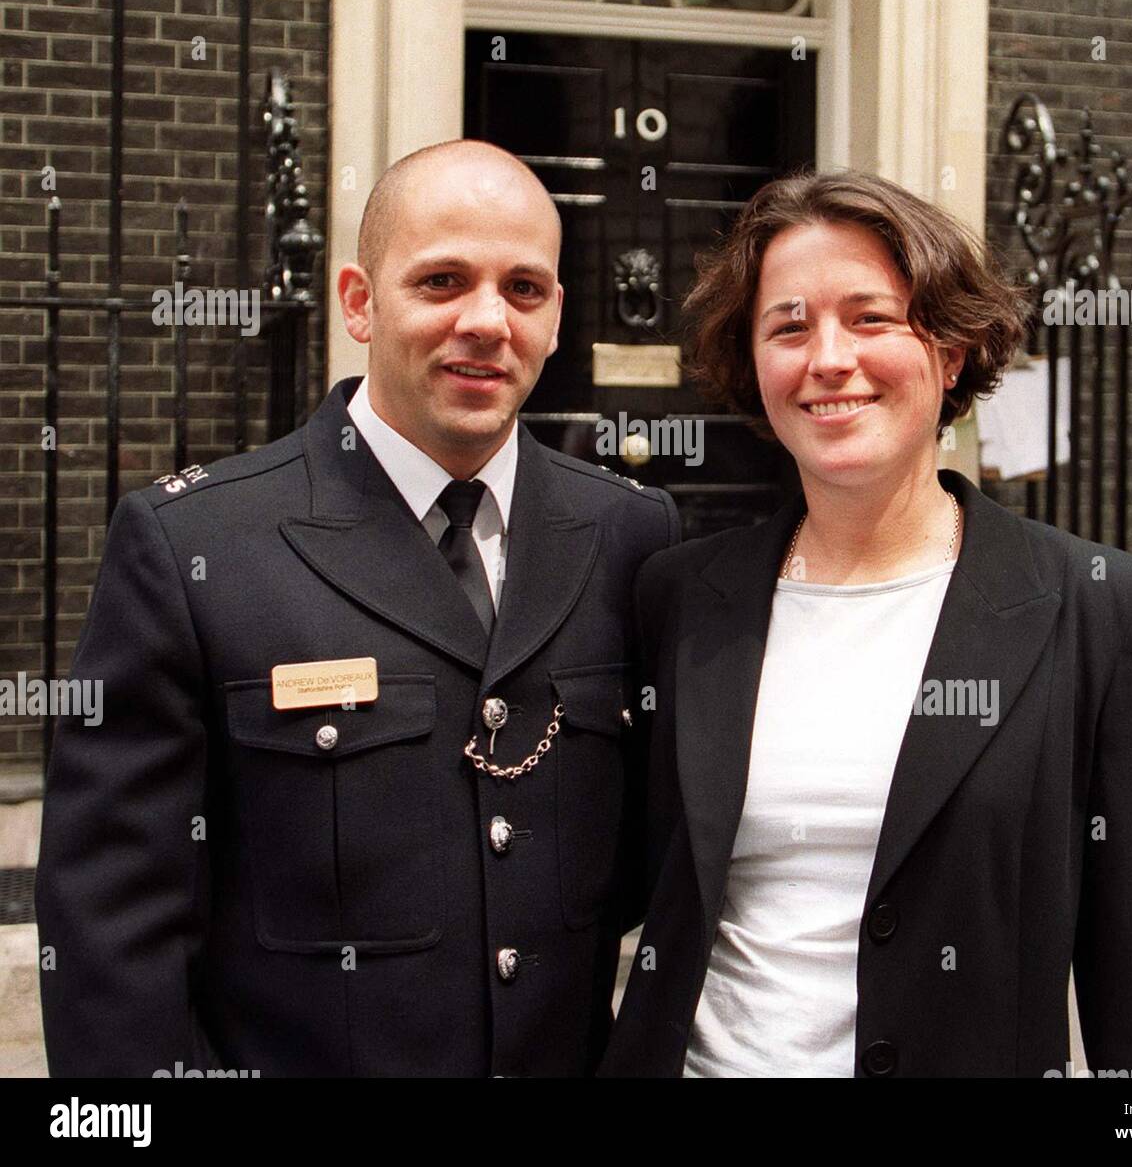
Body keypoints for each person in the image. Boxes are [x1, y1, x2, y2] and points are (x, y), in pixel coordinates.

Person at [36, 139, 679, 1077]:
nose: (487, 321)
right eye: (442, 280)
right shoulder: (196, 546)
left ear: (555, 317)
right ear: (357, 301)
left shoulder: (630, 533)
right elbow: (111, 934)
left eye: (525, 289)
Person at [600, 169, 1132, 1078]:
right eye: (789, 325)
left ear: (952, 353)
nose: (828, 357)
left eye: (871, 317)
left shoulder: (1100, 606)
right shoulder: (680, 596)